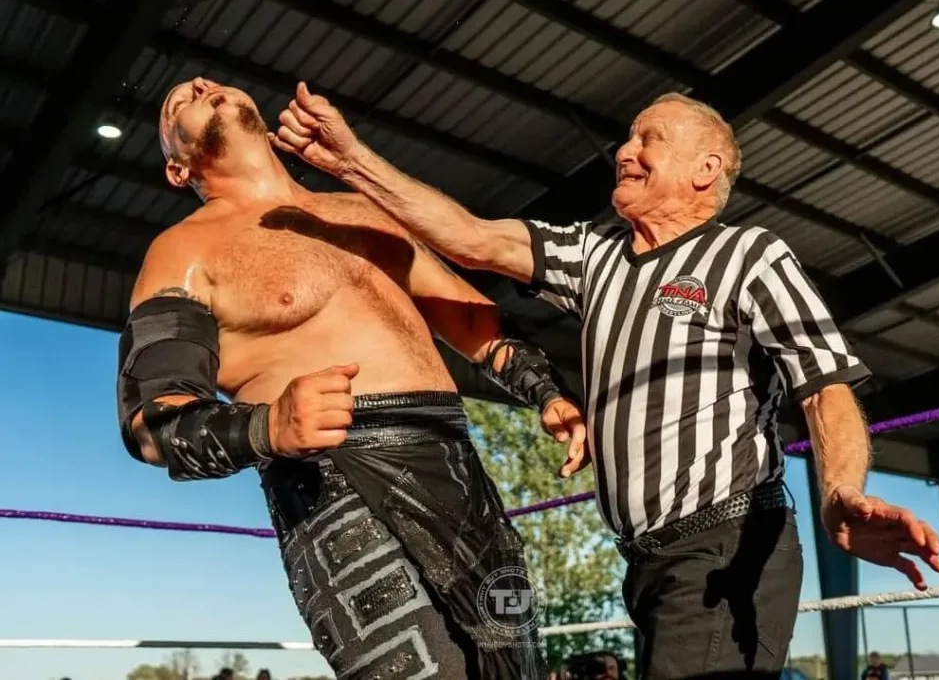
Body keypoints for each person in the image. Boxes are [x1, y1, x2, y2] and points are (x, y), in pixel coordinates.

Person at [269, 83, 939, 679]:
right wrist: (350, 160)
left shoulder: (749, 253)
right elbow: (473, 238)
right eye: (627, 137)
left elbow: (823, 383)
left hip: (726, 546)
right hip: (648, 562)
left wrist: (839, 491)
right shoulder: (596, 256)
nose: (625, 150)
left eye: (649, 138)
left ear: (705, 169)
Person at [116, 77, 591, 680]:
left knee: (516, 667)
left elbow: (475, 325)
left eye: (203, 81)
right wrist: (269, 426)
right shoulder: (183, 250)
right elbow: (152, 425)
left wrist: (545, 391)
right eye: (175, 102)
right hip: (334, 482)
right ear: (177, 171)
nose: (201, 85)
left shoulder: (365, 211)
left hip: (456, 467)